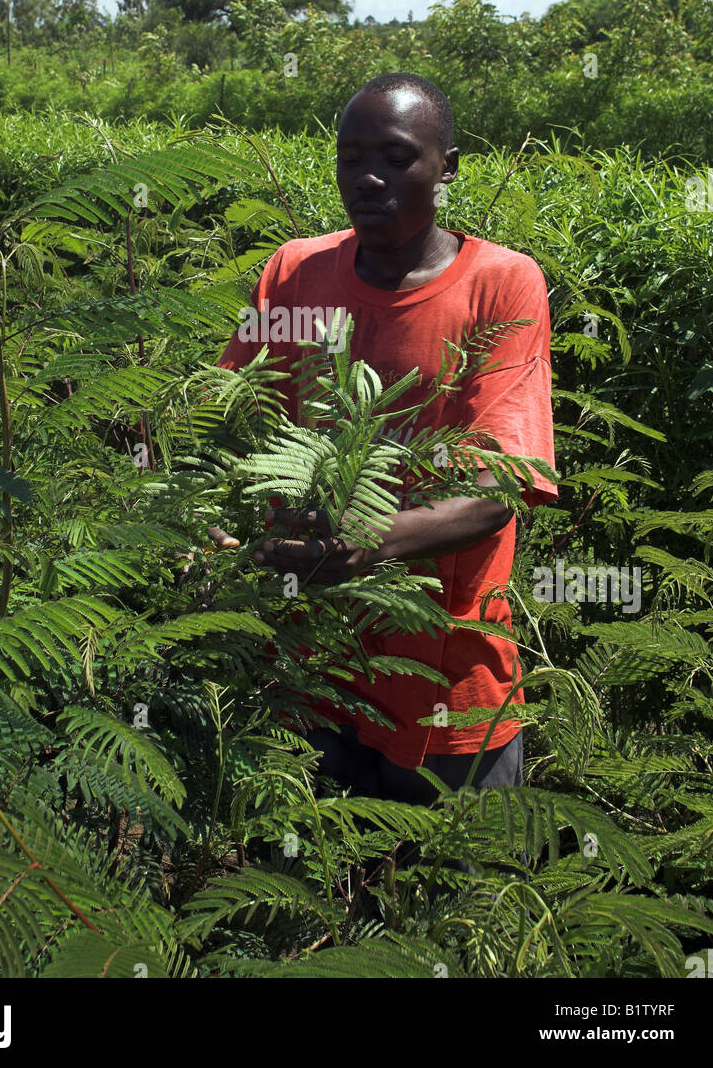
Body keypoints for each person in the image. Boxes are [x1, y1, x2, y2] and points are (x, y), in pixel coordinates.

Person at [213, 72, 558, 803]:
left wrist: (362, 542)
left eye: (396, 158)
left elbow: (499, 491)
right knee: (304, 882)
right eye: (350, 158)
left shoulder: (502, 285)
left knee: (453, 895)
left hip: (444, 672)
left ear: (448, 166)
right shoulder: (293, 271)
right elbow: (232, 424)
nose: (367, 178)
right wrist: (217, 527)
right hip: (307, 661)